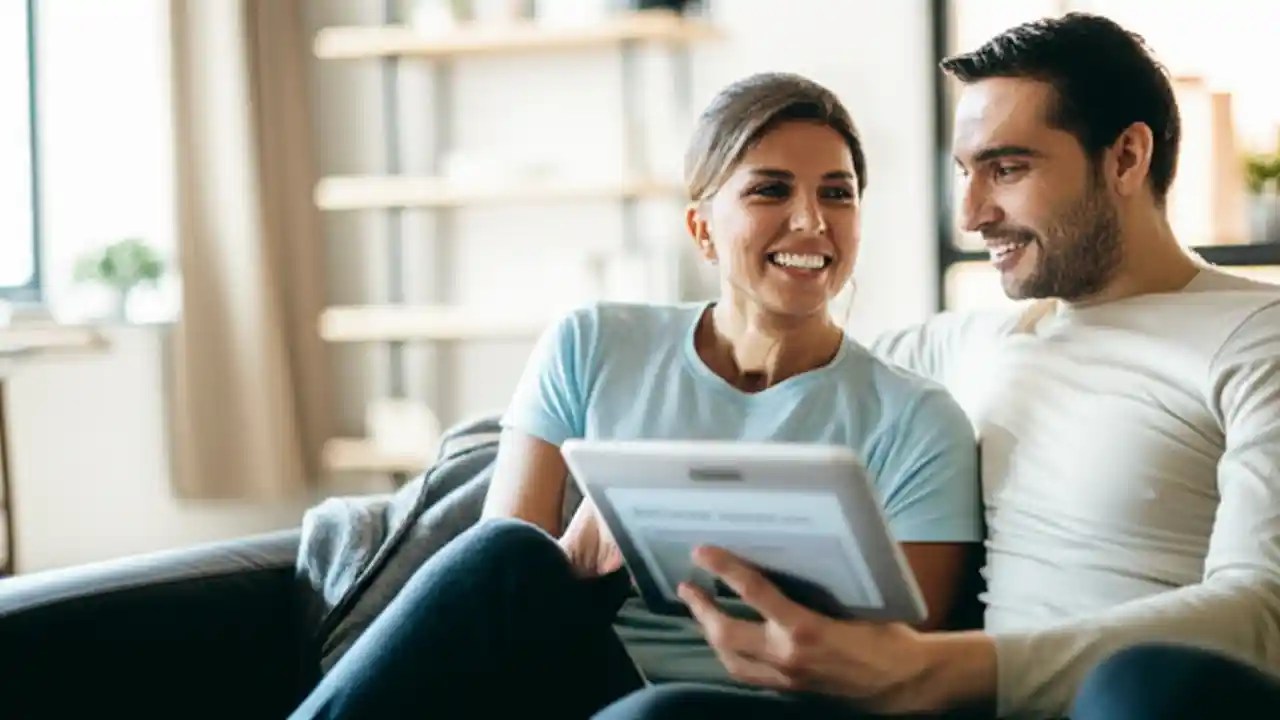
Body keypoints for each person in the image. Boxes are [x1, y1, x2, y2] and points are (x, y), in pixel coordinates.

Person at [601, 11, 1280, 720]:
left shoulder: (1254, 338)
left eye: (1007, 169)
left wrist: (939, 668)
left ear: (1126, 158)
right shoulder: (952, 350)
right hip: (952, 704)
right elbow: (764, 376)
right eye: (964, 172)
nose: (972, 214)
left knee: (1143, 687)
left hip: (1138, 703)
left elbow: (1263, 611)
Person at [287, 72, 983, 719]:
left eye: (837, 193)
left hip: (775, 707)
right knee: (507, 554)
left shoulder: (917, 420)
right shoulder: (593, 344)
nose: (811, 220)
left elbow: (903, 671)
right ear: (702, 227)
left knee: (656, 715)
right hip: (587, 680)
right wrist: (579, 560)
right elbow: (504, 585)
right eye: (771, 190)